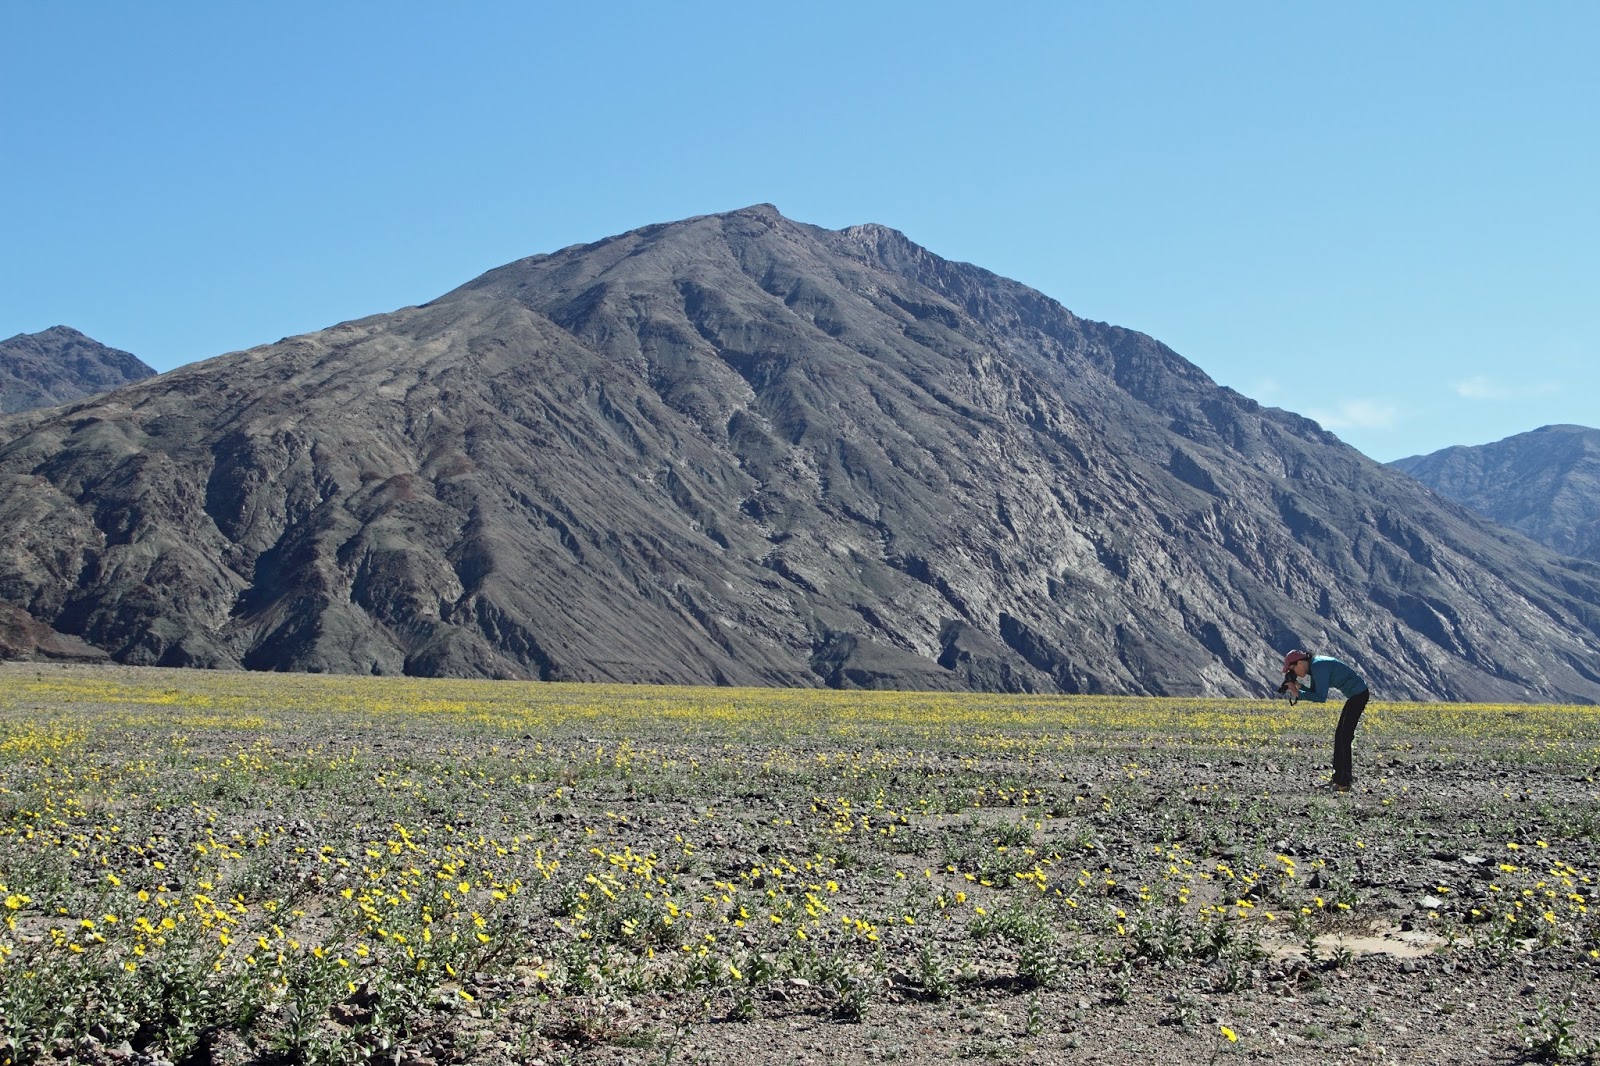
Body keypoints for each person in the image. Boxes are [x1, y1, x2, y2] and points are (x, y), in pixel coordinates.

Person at [1278, 649, 1370, 792]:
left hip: (1359, 695)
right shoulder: (1315, 666)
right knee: (1340, 736)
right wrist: (1299, 687)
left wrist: (1298, 694)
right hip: (1355, 696)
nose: (1294, 673)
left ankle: (1344, 782)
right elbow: (1315, 692)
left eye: (1293, 669)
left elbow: (1321, 697)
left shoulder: (1318, 666)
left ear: (1301, 663)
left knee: (1344, 737)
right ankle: (1339, 779)